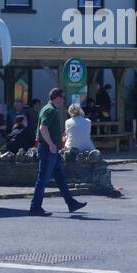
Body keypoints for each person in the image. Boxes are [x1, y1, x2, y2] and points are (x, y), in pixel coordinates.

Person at [29, 88, 88, 216]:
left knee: (60, 177)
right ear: (56, 97)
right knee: (42, 178)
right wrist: (51, 144)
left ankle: (71, 203)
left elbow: (45, 129)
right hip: (48, 149)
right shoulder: (50, 110)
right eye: (62, 97)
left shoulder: (49, 109)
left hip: (50, 149)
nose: (63, 100)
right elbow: (43, 128)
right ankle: (35, 207)